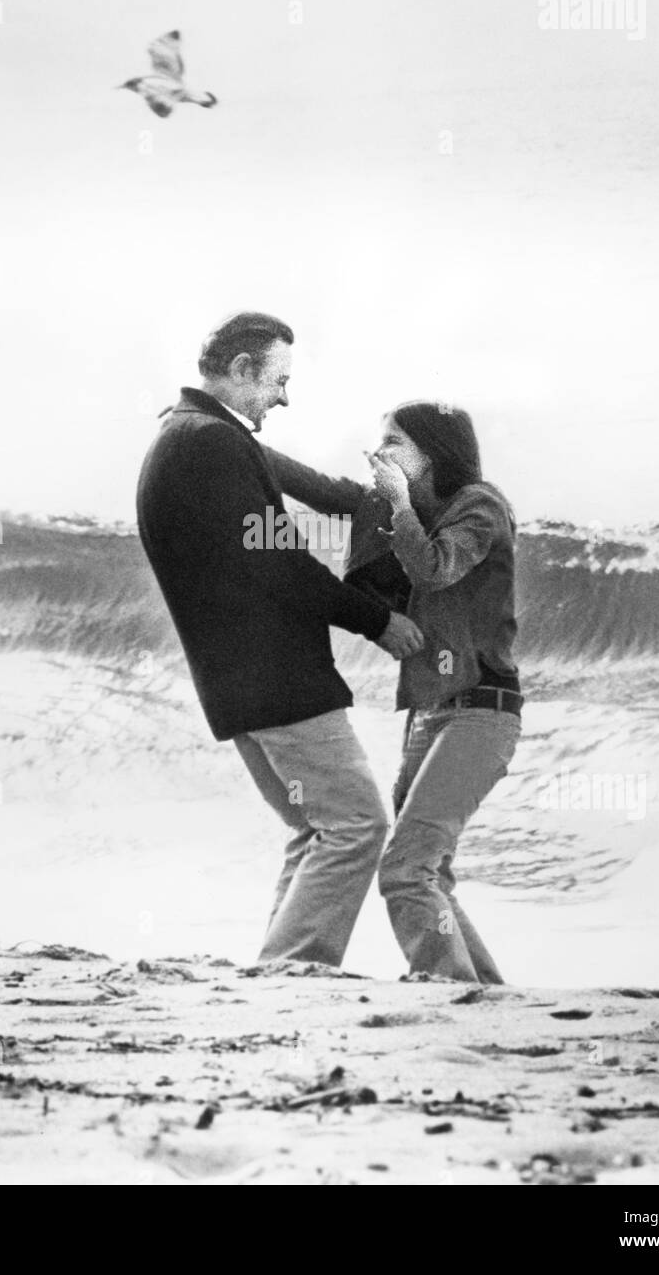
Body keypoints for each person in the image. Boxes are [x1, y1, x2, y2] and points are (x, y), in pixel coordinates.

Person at [135, 312, 424, 968]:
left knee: (315, 829)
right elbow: (282, 565)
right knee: (356, 827)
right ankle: (293, 972)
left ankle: (279, 974)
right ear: (240, 371)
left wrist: (377, 502)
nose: (285, 397)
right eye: (278, 381)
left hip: (234, 685)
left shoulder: (189, 434)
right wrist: (379, 621)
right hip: (279, 681)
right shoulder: (212, 445)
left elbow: (314, 489)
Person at [261, 401, 522, 982]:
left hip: (483, 711)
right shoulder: (392, 510)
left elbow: (436, 568)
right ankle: (485, 995)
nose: (380, 453)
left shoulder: (480, 507)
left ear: (431, 454)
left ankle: (447, 993)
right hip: (429, 713)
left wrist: (400, 502)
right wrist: (230, 441)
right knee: (428, 873)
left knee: (406, 872)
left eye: (394, 442)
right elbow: (316, 486)